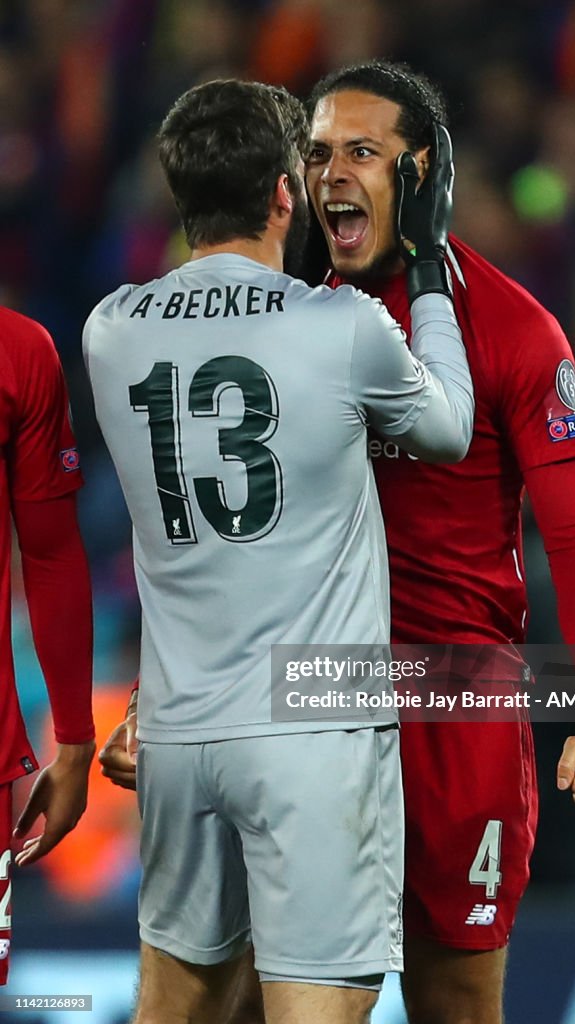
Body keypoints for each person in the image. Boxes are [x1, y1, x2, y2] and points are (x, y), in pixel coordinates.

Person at [101, 62, 575, 1024]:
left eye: (360, 152)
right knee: (252, 1000)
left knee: (456, 1002)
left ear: (421, 174)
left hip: (450, 705)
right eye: (312, 154)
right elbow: (213, 536)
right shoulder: (287, 315)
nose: (329, 174)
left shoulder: (513, 328)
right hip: (301, 701)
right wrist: (159, 692)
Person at [84, 77, 474, 1024]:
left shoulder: (109, 330)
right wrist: (423, 270)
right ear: (285, 193)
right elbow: (449, 428)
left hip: (177, 735)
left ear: (180, 198)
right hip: (309, 735)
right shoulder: (338, 327)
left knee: (174, 1006)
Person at [0, 306, 95, 987]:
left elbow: (53, 554)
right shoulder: (17, 348)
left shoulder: (22, 352)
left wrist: (75, 737)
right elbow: (52, 552)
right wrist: (74, 742)